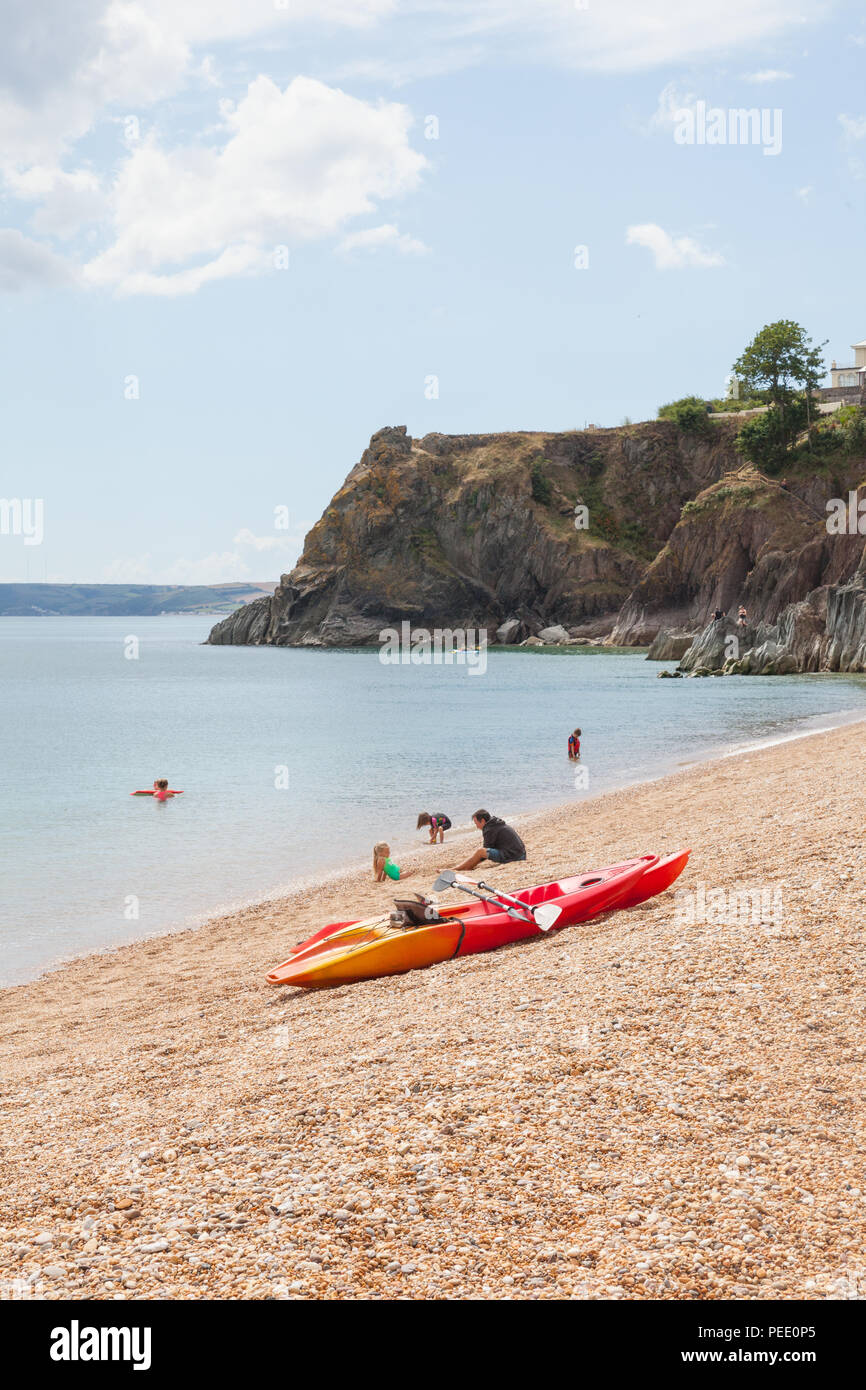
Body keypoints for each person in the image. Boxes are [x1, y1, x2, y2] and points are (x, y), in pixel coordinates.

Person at [453, 810, 526, 872]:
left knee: (480, 851)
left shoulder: (489, 829)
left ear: (482, 821)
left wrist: (472, 861)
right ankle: (464, 866)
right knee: (480, 852)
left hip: (515, 856)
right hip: (521, 853)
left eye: (476, 823)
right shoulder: (495, 823)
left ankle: (459, 868)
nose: (477, 826)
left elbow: (484, 853)